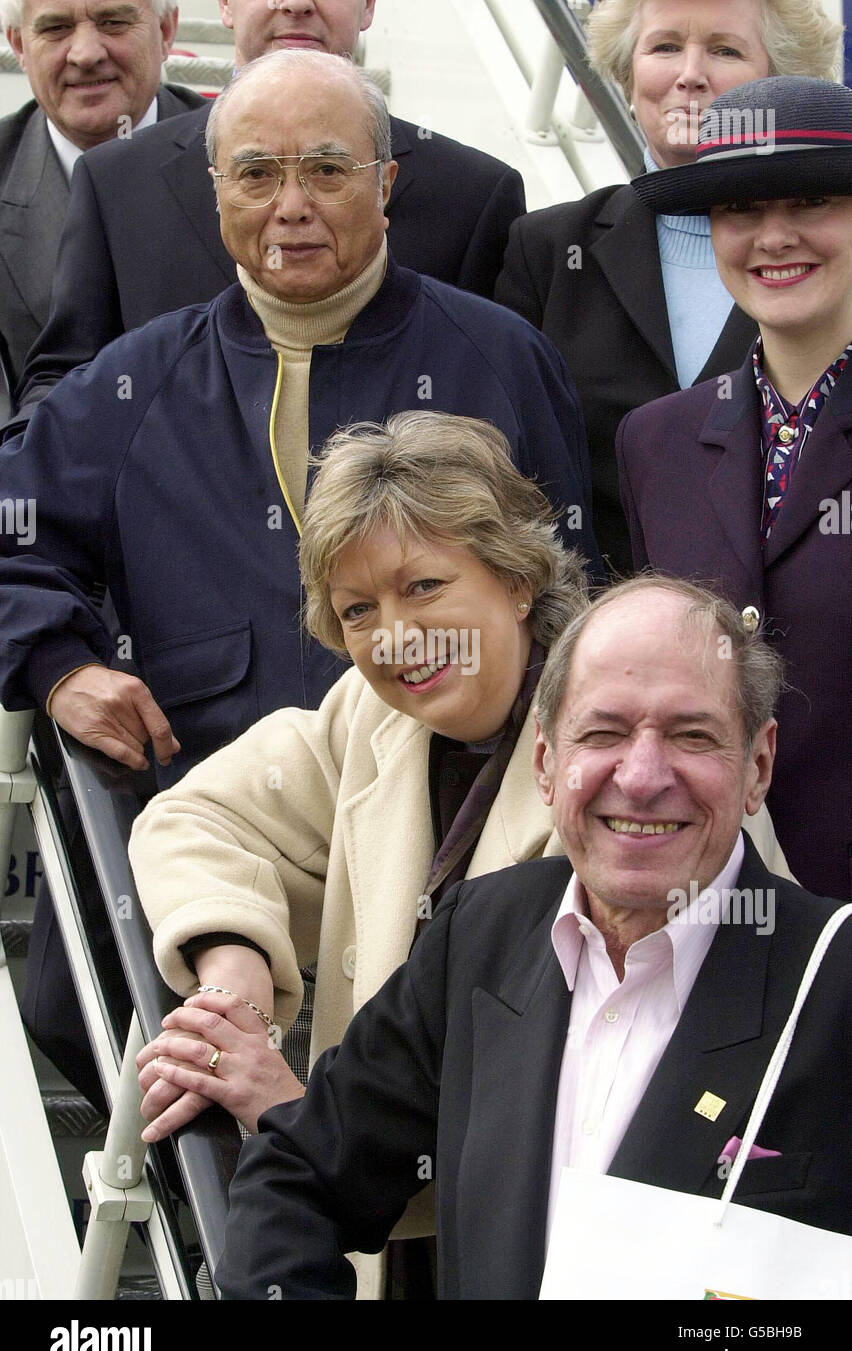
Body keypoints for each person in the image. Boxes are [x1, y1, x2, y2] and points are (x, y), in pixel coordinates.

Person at [129, 428, 787, 1293]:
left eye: (424, 586)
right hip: (396, 1246)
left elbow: (579, 1107)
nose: (394, 637)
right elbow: (190, 819)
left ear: (517, 580)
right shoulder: (370, 719)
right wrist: (237, 982)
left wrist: (296, 1109)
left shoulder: (631, 779)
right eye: (358, 609)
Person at [0, 49, 599, 790]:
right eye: (255, 175)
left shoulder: (503, 359)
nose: (290, 206)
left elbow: (572, 596)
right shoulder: (135, 382)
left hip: (456, 817)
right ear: (216, 193)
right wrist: (61, 670)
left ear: (385, 184)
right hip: (202, 815)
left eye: (326, 170)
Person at [6, 0, 526, 432]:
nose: (295, 4)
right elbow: (65, 378)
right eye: (254, 174)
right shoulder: (116, 179)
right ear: (225, 4)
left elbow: (495, 403)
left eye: (329, 169)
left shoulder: (475, 194)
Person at [494, 0, 841, 575]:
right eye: (665, 47)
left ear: (781, 83)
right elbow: (511, 469)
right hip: (597, 632)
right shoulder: (547, 248)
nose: (690, 73)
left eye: (726, 49)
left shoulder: (831, 260)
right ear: (626, 77)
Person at [619, 75, 852, 902]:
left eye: (813, 201)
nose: (773, 236)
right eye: (740, 209)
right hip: (710, 918)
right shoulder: (657, 441)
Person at [0, 0, 204, 409]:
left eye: (113, 22)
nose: (86, 54)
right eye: (56, 28)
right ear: (19, 44)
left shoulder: (241, 161)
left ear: (166, 31)